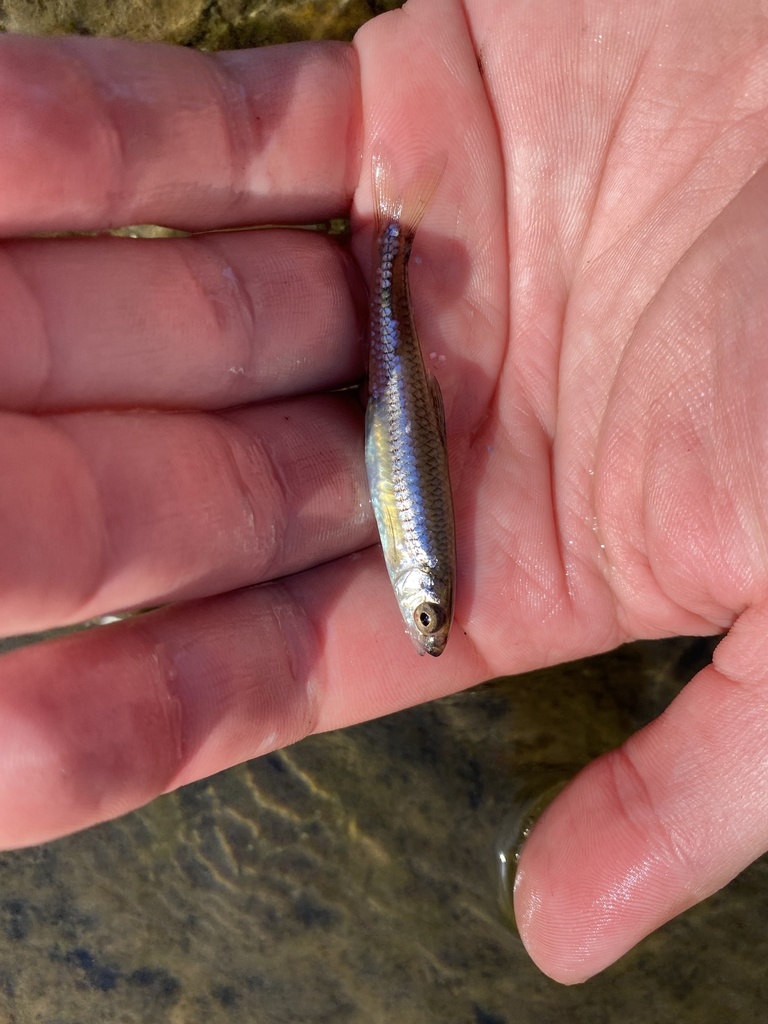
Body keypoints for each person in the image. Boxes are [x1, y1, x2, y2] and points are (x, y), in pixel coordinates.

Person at [1, 0, 766, 985]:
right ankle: (387, 239)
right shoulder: (426, 567)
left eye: (429, 616)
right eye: (430, 614)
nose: (426, 616)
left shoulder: (424, 560)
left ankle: (388, 239)